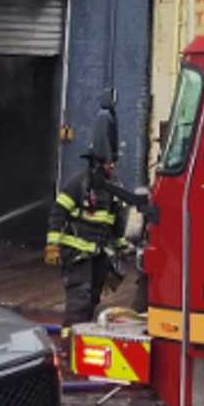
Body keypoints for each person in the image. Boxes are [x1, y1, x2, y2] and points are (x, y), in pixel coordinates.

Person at [45, 94, 132, 330]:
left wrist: (123, 246)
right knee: (79, 301)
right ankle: (68, 344)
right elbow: (58, 212)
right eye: (108, 162)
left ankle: (80, 334)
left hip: (99, 256)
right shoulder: (78, 184)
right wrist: (53, 245)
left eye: (113, 162)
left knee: (92, 299)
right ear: (96, 163)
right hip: (77, 255)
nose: (112, 166)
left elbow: (115, 224)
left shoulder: (114, 187)